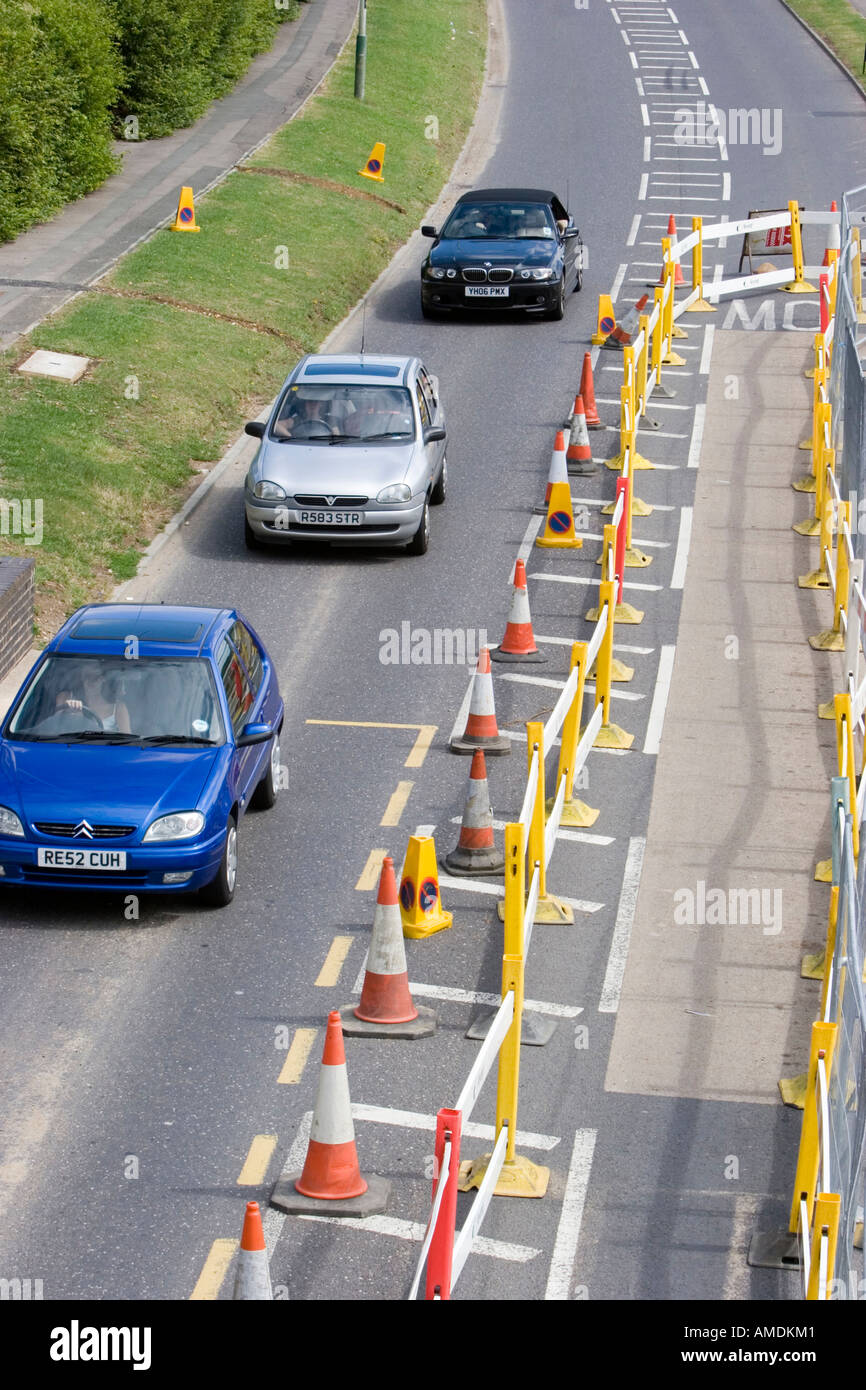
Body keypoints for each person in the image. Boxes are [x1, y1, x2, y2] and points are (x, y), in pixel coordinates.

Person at [55, 665, 131, 733]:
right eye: (87, 676)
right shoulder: (65, 697)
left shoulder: (118, 707)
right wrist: (68, 714)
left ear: (103, 678)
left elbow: (128, 742)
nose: (90, 681)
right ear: (82, 678)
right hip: (69, 747)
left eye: (95, 677)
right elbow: (54, 728)